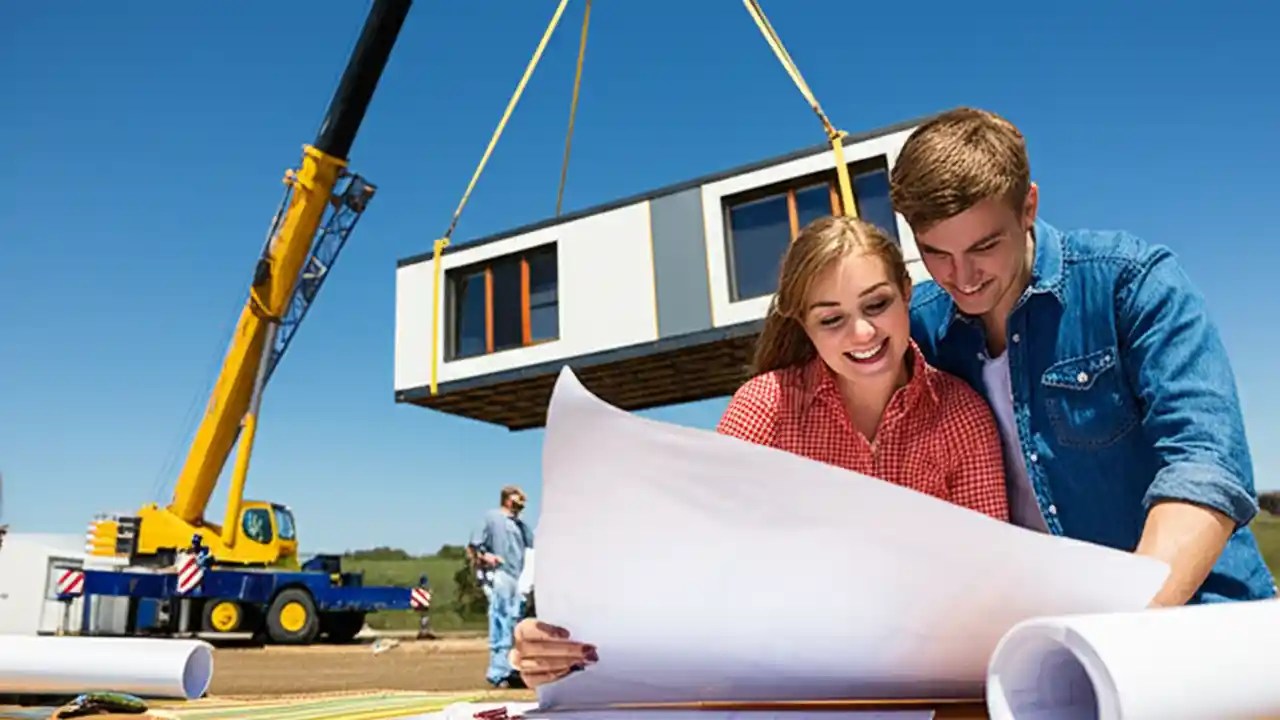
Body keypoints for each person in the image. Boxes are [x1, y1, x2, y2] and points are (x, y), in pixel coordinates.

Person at [505, 214, 1013, 688]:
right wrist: (559, 643)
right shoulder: (764, 408)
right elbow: (690, 559)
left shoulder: (961, 417)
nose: (862, 333)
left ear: (906, 292)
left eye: (877, 304)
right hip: (784, 686)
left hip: (928, 685)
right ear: (804, 327)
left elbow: (991, 590)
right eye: (830, 319)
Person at [891, 107, 1277, 607]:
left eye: (985, 246)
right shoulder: (920, 327)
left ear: (1028, 207)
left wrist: (1127, 627)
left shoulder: (1134, 283)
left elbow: (1205, 465)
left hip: (1195, 615)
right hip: (1036, 628)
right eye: (936, 254)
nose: (961, 278)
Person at [468, 484, 535, 688]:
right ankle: (498, 672)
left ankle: (513, 667)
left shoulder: (520, 525)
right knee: (501, 620)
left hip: (519, 577)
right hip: (500, 574)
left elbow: (531, 547)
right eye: (517, 501)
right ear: (507, 499)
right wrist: (487, 557)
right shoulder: (491, 518)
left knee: (516, 622)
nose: (520, 506)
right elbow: (474, 546)